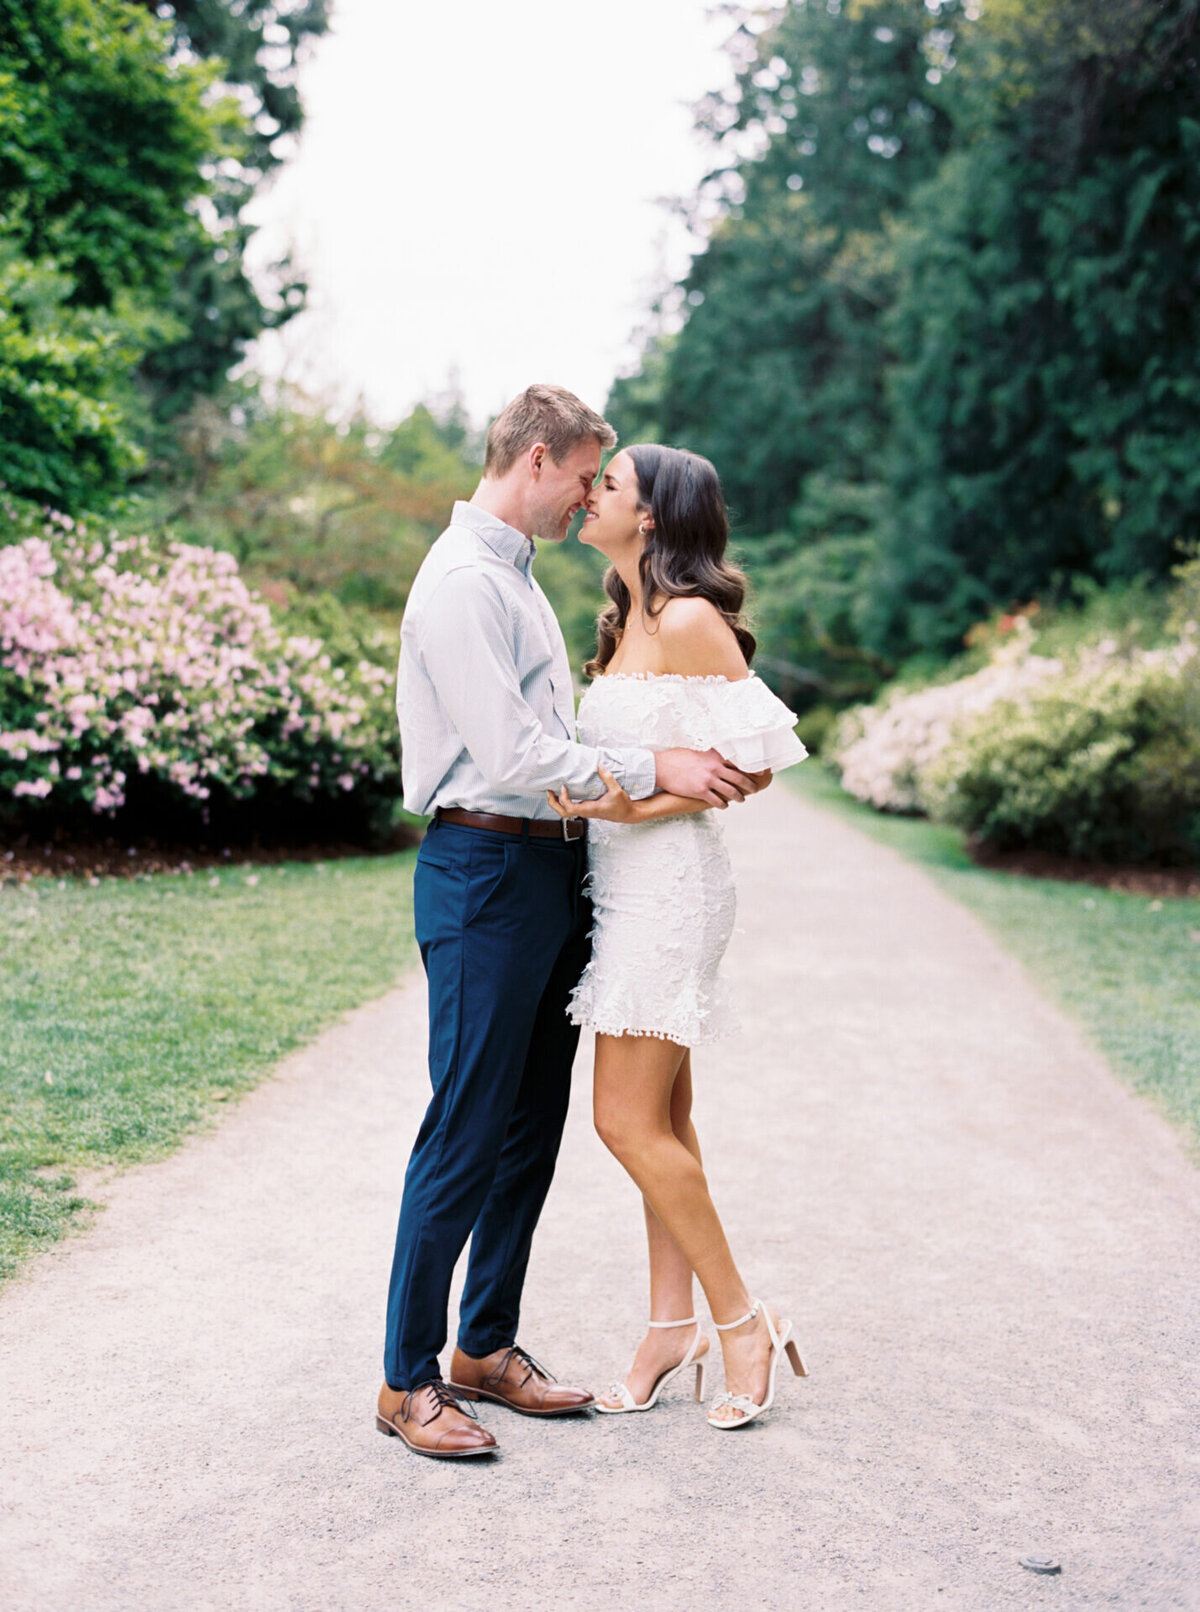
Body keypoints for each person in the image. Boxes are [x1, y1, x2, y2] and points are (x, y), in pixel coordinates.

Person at [377, 387, 764, 1460]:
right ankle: (405, 1378)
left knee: (530, 1127)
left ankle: (484, 1345)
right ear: (538, 459)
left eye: (608, 482)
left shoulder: (522, 582)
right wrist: (655, 767)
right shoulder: (462, 584)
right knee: (464, 1124)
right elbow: (510, 758)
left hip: (552, 875)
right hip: (486, 868)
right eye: (587, 475)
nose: (591, 495)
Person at [547, 443, 809, 1429]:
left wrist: (639, 810)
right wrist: (626, 804)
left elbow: (758, 765)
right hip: (621, 890)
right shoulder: (620, 622)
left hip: (670, 893)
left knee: (621, 1121)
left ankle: (741, 1320)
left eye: (607, 485)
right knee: (666, 1120)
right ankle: (669, 1326)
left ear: (651, 514)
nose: (590, 496)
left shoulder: (691, 619)